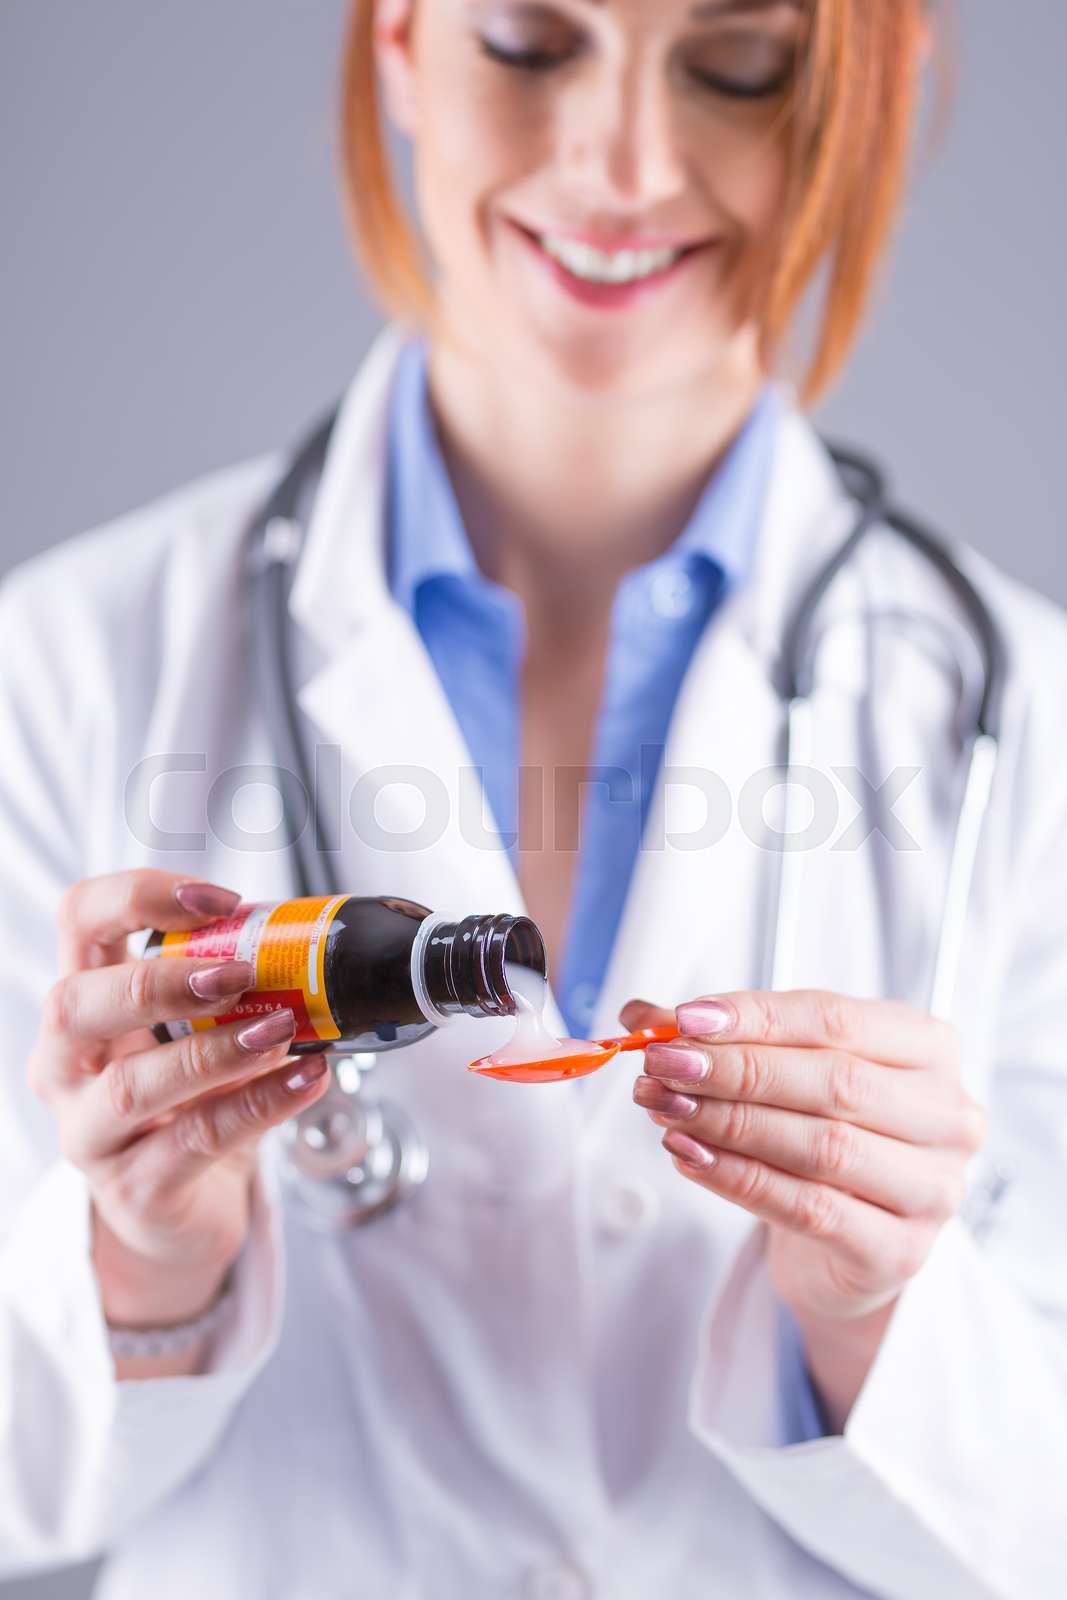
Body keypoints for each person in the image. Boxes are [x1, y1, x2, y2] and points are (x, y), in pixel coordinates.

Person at [1, 1, 1065, 1595]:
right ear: (401, 45)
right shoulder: (67, 667)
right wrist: (145, 1266)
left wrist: (877, 1318)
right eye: (528, 41)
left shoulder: (1024, 729)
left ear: (871, 91)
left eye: (739, 63)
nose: (619, 165)